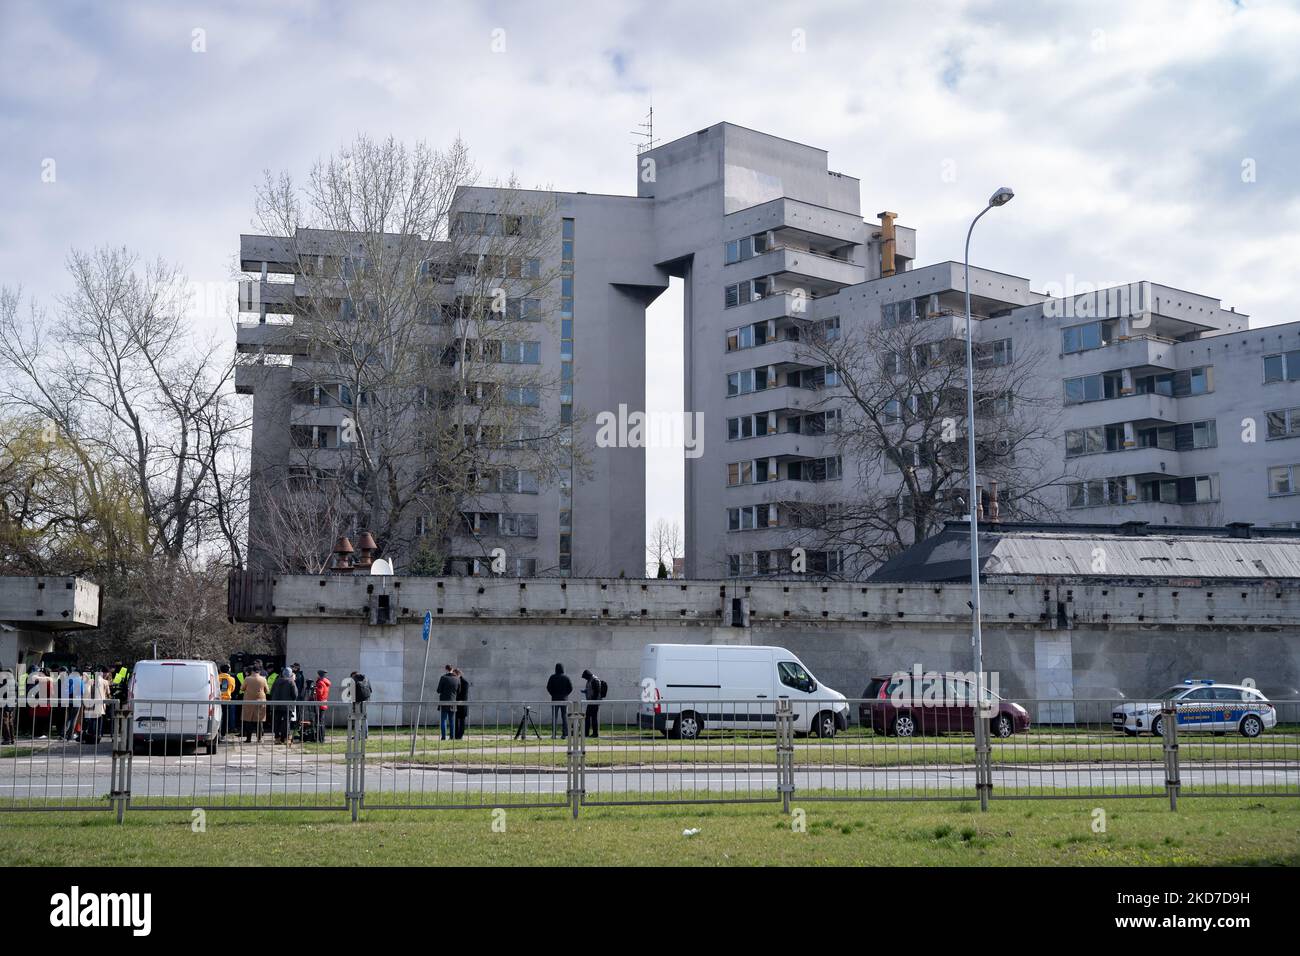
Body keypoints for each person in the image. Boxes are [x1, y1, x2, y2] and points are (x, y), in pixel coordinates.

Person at [81, 667, 111, 745]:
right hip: (100, 705)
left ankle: (91, 736)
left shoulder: (91, 681)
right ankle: (98, 736)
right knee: (99, 721)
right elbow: (108, 693)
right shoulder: (105, 682)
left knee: (92, 721)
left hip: (91, 705)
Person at [270, 666, 298, 744]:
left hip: (276, 705)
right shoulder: (291, 682)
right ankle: (285, 738)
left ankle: (277, 738)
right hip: (287, 706)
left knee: (277, 722)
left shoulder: (277, 681)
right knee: (286, 722)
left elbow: (271, 692)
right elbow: (295, 694)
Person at [241, 666, 269, 743]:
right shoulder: (263, 679)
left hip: (248, 702)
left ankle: (248, 738)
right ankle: (259, 738)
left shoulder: (247, 679)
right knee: (259, 721)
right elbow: (267, 690)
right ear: (259, 671)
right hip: (260, 702)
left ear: (252, 671)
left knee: (248, 720)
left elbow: (242, 688)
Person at [546, 663, 572, 738]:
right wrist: (566, 694)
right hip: (564, 699)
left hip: (555, 699)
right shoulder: (566, 677)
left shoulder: (552, 677)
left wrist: (553, 694)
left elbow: (548, 687)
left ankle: (554, 734)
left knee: (554, 717)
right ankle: (565, 734)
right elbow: (570, 688)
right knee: (564, 717)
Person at [436, 664, 459, 740]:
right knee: (452, 720)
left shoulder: (443, 678)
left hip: (444, 702)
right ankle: (452, 737)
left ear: (446, 669)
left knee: (443, 719)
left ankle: (443, 737)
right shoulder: (457, 679)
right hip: (453, 702)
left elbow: (438, 690)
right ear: (452, 669)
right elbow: (459, 691)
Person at [581, 669, 603, 739]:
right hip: (591, 701)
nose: (585, 679)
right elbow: (591, 690)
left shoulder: (594, 680)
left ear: (587, 675)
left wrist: (593, 701)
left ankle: (594, 733)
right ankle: (587, 733)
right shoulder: (590, 680)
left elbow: (597, 692)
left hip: (594, 702)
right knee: (588, 717)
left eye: (585, 677)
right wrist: (585, 691)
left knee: (593, 718)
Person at [217, 665, 236, 740]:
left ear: (220, 670)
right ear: (228, 670)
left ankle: (216, 732)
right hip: (226, 700)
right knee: (225, 717)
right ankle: (223, 734)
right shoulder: (232, 679)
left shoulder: (216, 677)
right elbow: (233, 689)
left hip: (217, 700)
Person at [313, 670, 331, 743]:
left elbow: (319, 693)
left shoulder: (320, 683)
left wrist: (315, 690)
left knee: (319, 721)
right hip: (324, 703)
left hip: (319, 703)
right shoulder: (326, 682)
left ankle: (320, 738)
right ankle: (321, 737)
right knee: (321, 721)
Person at [453, 668, 469, 739]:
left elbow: (463, 695)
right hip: (456, 704)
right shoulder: (456, 681)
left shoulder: (465, 682)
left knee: (462, 721)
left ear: (458, 674)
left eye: (454, 674)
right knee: (455, 720)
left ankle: (460, 735)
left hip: (462, 705)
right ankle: (456, 735)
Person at [1, 663, 15, 745]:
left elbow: (4, 691)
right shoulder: (14, 681)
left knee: (5, 721)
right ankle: (12, 738)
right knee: (10, 721)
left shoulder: (6, 681)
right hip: (12, 703)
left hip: (6, 703)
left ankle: (7, 739)